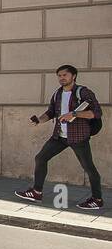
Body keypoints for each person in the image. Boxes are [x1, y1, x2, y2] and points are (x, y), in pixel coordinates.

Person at [16, 64, 103, 211]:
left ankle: (97, 199)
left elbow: (96, 113)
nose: (62, 78)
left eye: (65, 75)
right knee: (41, 158)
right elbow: (51, 112)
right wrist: (39, 120)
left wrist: (74, 114)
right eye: (59, 75)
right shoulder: (57, 93)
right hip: (59, 137)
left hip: (78, 137)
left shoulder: (83, 92)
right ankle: (36, 192)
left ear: (73, 76)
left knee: (88, 167)